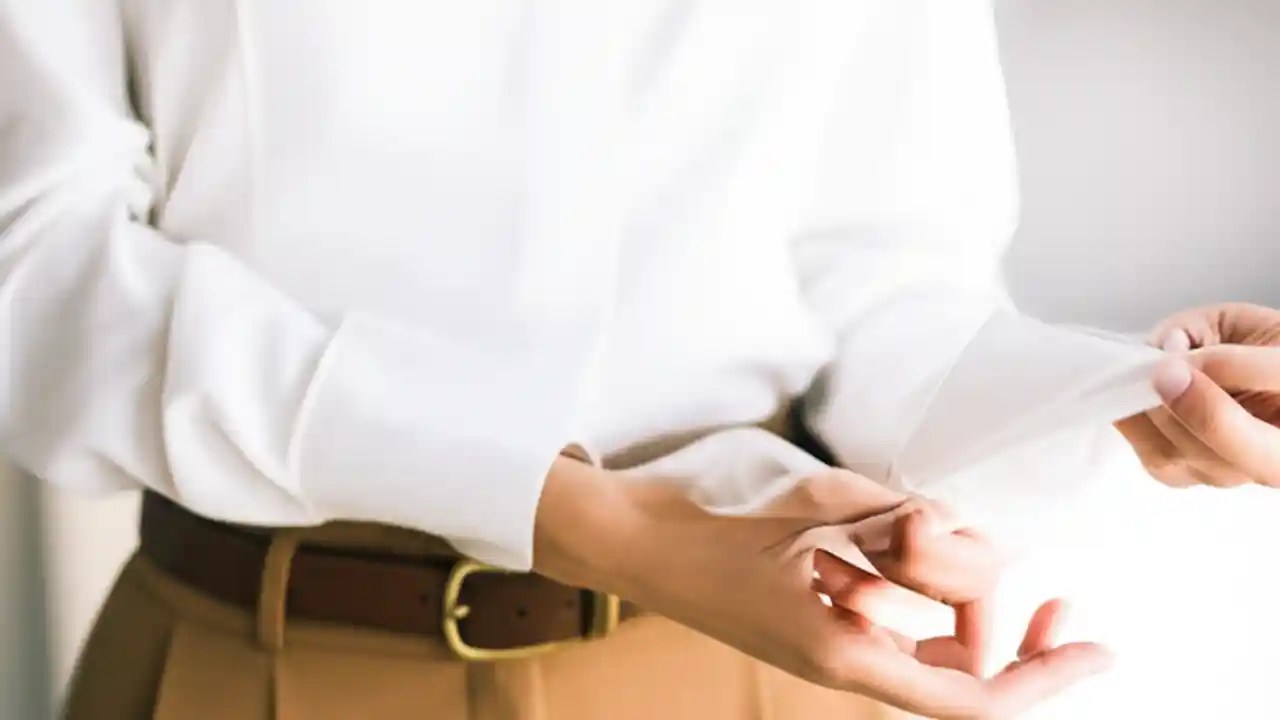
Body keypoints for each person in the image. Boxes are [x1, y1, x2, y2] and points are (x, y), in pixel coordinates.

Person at [2, 2, 1278, 719]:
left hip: (753, 672)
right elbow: (34, 263)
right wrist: (571, 514)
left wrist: (1131, 397)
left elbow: (881, 273)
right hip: (258, 662)